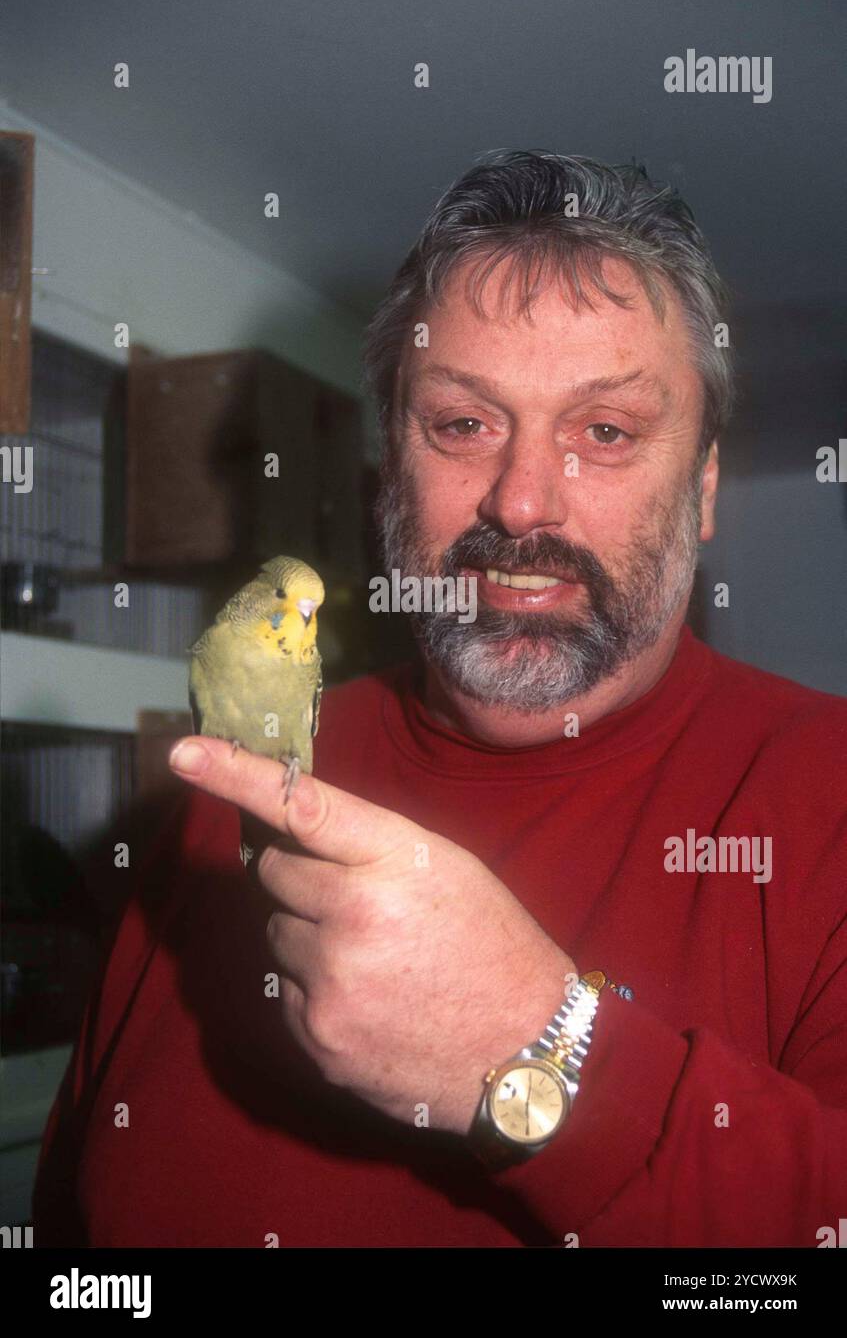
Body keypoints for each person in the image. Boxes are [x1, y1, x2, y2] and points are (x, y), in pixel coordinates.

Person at [33, 151, 847, 1248]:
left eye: (603, 431)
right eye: (462, 424)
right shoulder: (217, 799)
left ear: (702, 490)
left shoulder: (824, 797)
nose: (519, 498)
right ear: (391, 474)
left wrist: (540, 1049)